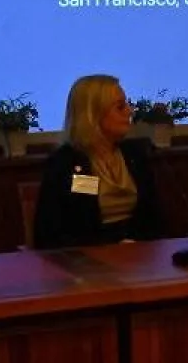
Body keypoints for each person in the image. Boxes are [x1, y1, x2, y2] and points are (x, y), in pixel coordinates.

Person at [32, 74, 164, 249]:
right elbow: (49, 235)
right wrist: (112, 247)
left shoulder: (135, 154)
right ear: (93, 114)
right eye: (120, 107)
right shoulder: (64, 163)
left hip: (139, 257)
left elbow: (154, 219)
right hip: (87, 263)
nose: (130, 111)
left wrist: (136, 246)